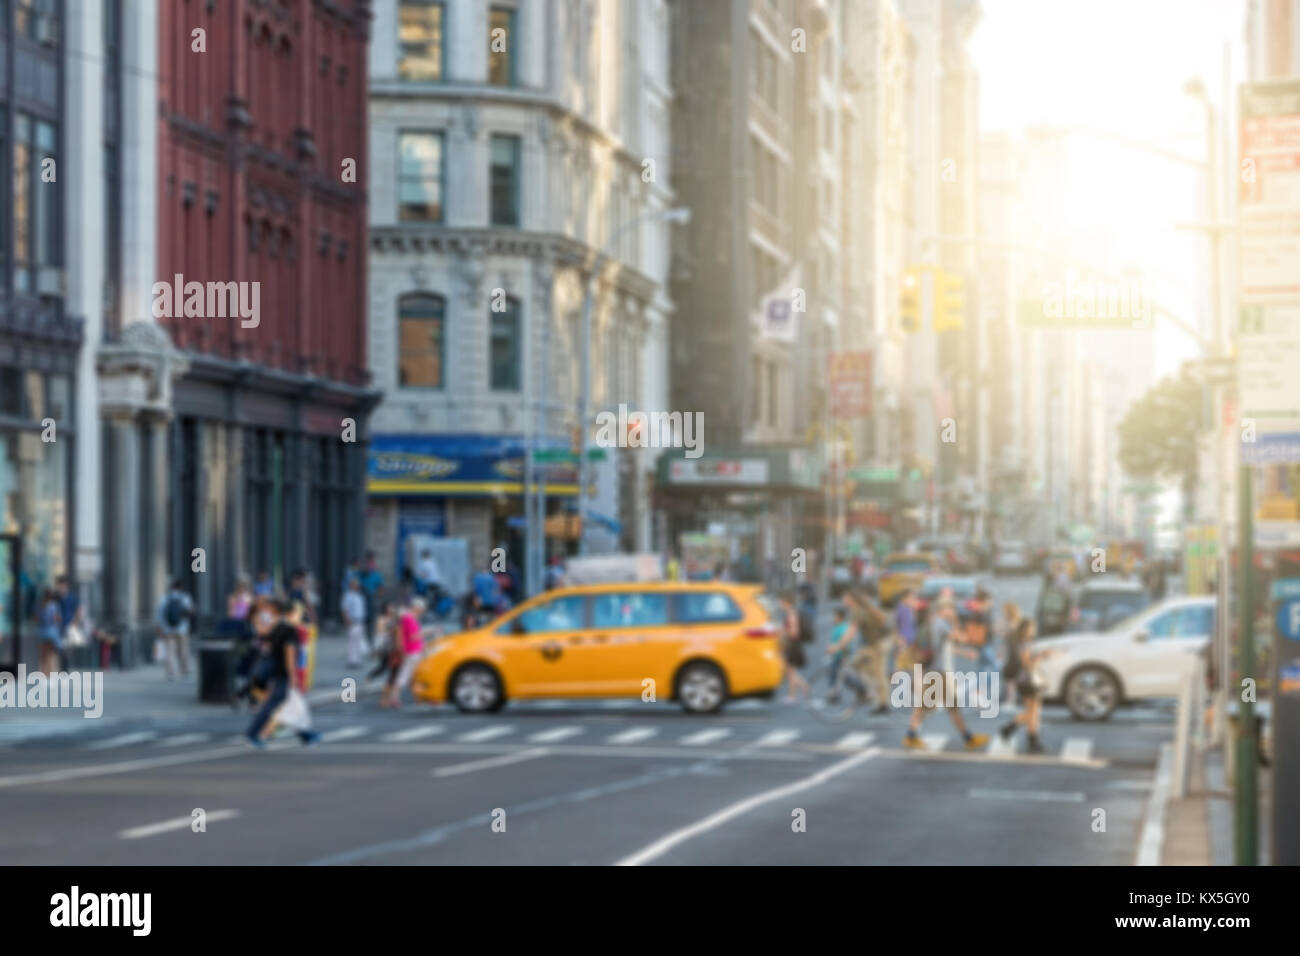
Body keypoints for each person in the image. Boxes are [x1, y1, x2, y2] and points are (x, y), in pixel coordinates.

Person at [902, 597, 990, 752]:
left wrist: (964, 653)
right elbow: (961, 638)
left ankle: (911, 735)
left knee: (927, 705)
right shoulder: (941, 624)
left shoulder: (933, 624)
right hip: (942, 672)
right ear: (942, 610)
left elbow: (946, 647)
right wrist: (955, 620)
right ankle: (968, 739)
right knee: (951, 706)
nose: (952, 611)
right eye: (950, 608)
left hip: (934, 670)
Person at [245, 598, 320, 748]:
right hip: (284, 673)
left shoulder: (276, 628)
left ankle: (305, 734)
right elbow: (289, 655)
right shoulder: (289, 630)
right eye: (298, 613)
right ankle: (253, 733)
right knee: (276, 704)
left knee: (291, 705)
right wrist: (293, 677)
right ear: (291, 613)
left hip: (275, 671)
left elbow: (264, 641)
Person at [998, 619, 1055, 753]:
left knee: (1032, 711)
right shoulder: (1024, 644)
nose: (1034, 631)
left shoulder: (1022, 642)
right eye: (1032, 628)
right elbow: (1027, 664)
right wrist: (1043, 655)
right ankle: (1029, 740)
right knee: (1033, 712)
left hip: (1025, 680)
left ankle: (1012, 731)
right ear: (1027, 630)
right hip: (1028, 680)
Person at [846, 589, 891, 713]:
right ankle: (880, 701)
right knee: (874, 672)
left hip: (877, 645)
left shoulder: (858, 611)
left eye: (846, 598)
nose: (844, 601)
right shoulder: (866, 609)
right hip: (878, 643)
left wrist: (838, 646)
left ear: (852, 600)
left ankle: (874, 697)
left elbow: (851, 631)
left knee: (872, 671)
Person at [381, 598, 427, 709]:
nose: (422, 612)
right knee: (404, 675)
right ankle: (393, 698)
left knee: (410, 675)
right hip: (412, 651)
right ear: (417, 608)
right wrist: (427, 632)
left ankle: (420, 697)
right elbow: (412, 636)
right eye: (421, 609)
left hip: (412, 651)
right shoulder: (409, 619)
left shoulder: (408, 618)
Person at [155, 579, 194, 680]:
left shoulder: (164, 598)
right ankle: (184, 669)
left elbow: (159, 615)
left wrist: (160, 628)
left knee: (169, 651)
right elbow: (190, 612)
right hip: (182, 629)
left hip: (168, 629)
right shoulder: (185, 598)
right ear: (181, 588)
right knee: (183, 650)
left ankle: (171, 672)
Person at [777, 592, 810, 702]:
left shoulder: (791, 614)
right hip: (790, 645)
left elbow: (795, 632)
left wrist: (783, 632)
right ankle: (797, 691)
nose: (779, 604)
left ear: (786, 602)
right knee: (789, 670)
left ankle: (796, 692)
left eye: (780, 601)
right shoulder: (789, 613)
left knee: (789, 670)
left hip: (792, 645)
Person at [341, 576, 368, 668]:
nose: (357, 586)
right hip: (352, 620)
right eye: (355, 584)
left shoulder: (359, 596)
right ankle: (351, 660)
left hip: (360, 620)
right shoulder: (348, 596)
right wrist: (347, 619)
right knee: (352, 641)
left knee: (358, 640)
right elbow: (345, 609)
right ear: (351, 585)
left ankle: (357, 659)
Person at [37, 587, 62, 675]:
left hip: (42, 632)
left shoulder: (40, 605)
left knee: (43, 655)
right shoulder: (54, 606)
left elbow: (36, 618)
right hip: (51, 633)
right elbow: (57, 619)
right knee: (51, 655)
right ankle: (50, 673)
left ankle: (43, 673)